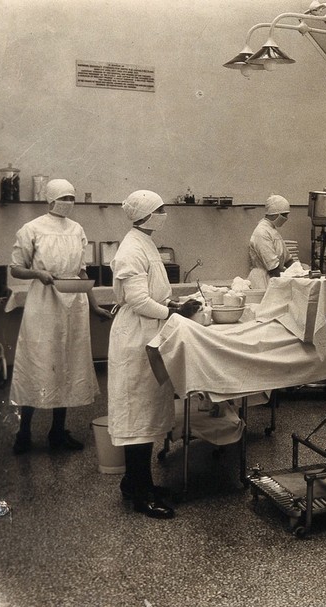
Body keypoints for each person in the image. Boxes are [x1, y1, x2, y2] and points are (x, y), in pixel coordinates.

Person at [107, 190, 200, 520]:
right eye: (159, 209)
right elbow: (138, 301)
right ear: (145, 215)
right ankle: (140, 494)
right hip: (136, 336)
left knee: (146, 412)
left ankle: (136, 482)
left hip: (149, 333)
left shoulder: (145, 242)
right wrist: (173, 312)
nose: (164, 214)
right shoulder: (131, 249)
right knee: (138, 415)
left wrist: (174, 303)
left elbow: (153, 293)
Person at [9, 179, 112, 455]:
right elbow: (16, 268)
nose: (68, 202)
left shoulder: (77, 229)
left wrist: (94, 305)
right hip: (44, 303)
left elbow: (81, 271)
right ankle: (23, 432)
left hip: (73, 302)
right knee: (38, 362)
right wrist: (37, 273)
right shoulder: (32, 229)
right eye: (63, 198)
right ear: (51, 200)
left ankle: (57, 432)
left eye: (71, 198)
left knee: (67, 364)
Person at [248, 194, 294, 289]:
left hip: (274, 277)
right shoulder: (261, 232)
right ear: (274, 214)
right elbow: (272, 267)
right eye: (284, 215)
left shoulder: (272, 230)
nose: (286, 218)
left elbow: (288, 260)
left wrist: (299, 271)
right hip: (262, 279)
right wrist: (291, 279)